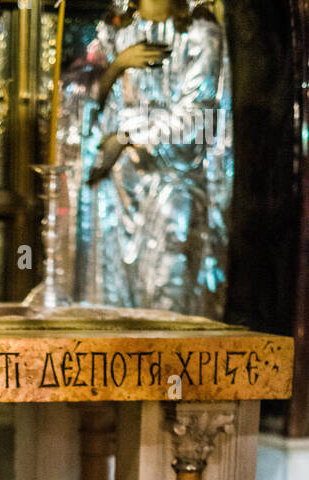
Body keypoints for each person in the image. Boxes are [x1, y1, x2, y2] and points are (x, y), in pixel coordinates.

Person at [62, 0, 232, 317]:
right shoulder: (112, 36)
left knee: (170, 294)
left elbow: (200, 118)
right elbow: (76, 109)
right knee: (113, 303)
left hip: (173, 184)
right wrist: (118, 66)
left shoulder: (201, 35)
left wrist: (127, 139)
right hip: (117, 192)